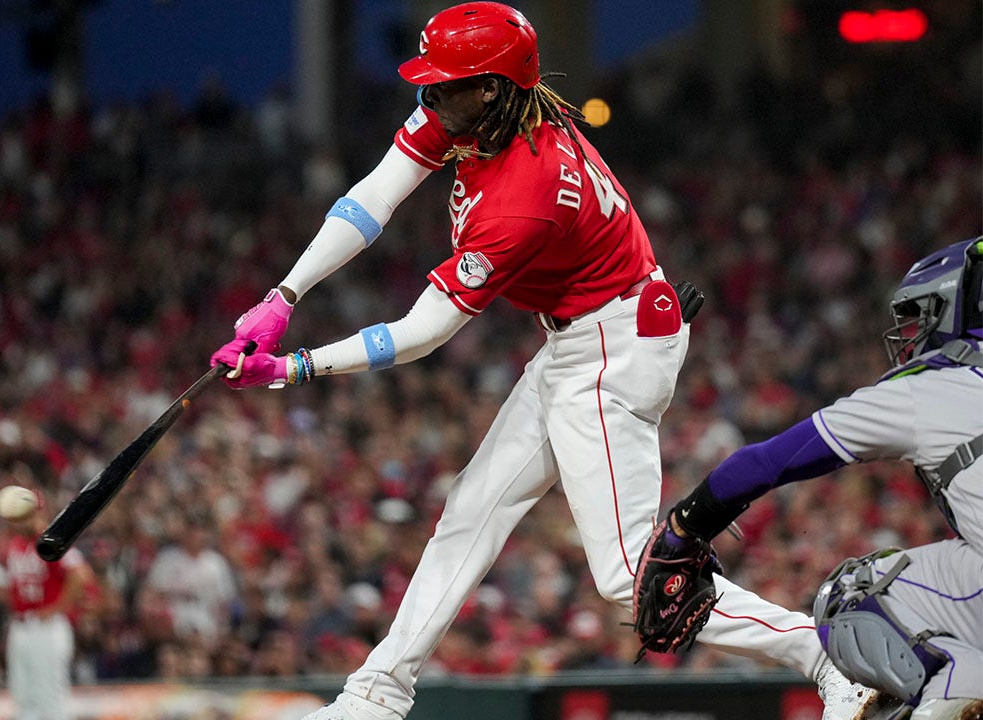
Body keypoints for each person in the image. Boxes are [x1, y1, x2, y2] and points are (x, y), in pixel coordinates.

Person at [208, 3, 872, 719]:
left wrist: (294, 368)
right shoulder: (476, 111)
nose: (427, 96)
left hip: (612, 349)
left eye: (444, 84)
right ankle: (376, 694)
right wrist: (284, 293)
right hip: (584, 334)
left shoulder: (524, 195)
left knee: (631, 578)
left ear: (492, 87)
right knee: (471, 509)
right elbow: (374, 197)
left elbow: (424, 332)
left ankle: (829, 654)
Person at [658, 238, 983, 719]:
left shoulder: (931, 387)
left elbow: (770, 460)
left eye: (924, 315)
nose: (912, 334)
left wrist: (684, 528)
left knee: (852, 594)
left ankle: (957, 690)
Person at [0, 492, 93, 720]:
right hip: (22, 626)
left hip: (46, 627)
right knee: (22, 698)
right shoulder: (16, 543)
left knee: (49, 699)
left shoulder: (51, 540)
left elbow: (81, 575)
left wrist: (57, 607)